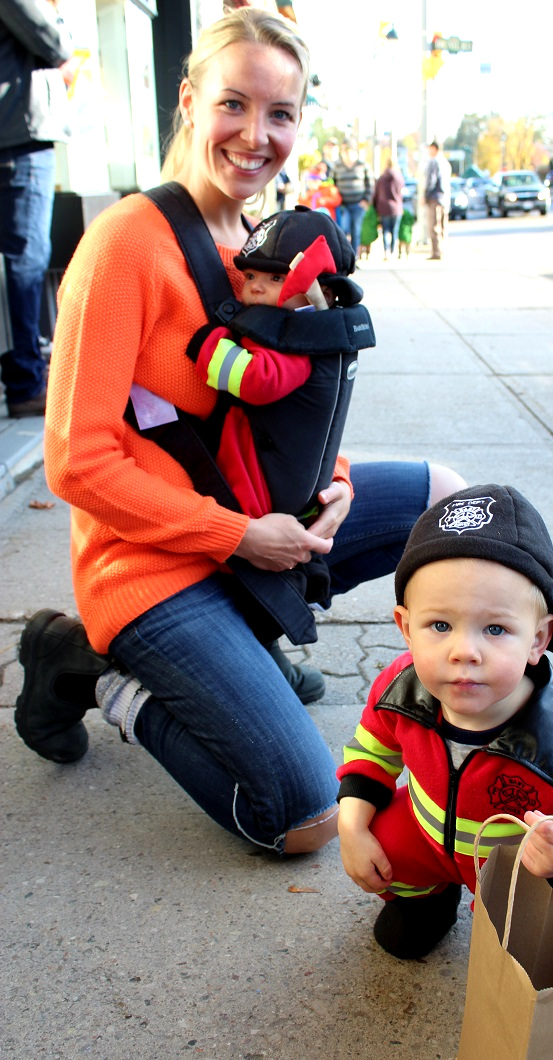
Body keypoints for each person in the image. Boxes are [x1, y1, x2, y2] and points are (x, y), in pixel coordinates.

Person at [13, 9, 465, 860]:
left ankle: (248, 641)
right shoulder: (123, 246)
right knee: (301, 818)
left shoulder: (271, 248)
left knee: (452, 503)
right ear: (189, 102)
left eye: (280, 113)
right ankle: (91, 669)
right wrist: (239, 537)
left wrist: (331, 485)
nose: (256, 136)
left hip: (252, 526)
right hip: (150, 566)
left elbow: (290, 409)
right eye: (233, 104)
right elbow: (74, 461)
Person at [337, 484, 553, 959]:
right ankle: (426, 903)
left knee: (519, 950)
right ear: (406, 627)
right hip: (425, 840)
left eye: (495, 629)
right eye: (439, 625)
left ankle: (502, 923)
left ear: (538, 639)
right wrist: (351, 826)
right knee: (385, 842)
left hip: (515, 874)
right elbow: (371, 750)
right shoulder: (399, 687)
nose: (464, 651)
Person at [191, 204, 363, 524]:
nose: (256, 286)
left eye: (275, 278)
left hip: (259, 488)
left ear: (320, 294)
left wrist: (209, 345)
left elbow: (260, 380)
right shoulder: (281, 326)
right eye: (250, 276)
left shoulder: (298, 342)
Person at [0, 0, 72, 417]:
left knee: (21, 261)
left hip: (13, 130)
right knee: (26, 261)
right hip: (18, 135)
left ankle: (26, 374)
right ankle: (26, 382)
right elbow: (55, 40)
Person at [331, 138, 372, 260]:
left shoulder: (362, 165)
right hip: (343, 204)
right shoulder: (337, 166)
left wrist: (366, 200)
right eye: (345, 151)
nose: (347, 154)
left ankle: (354, 258)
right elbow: (332, 183)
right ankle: (344, 258)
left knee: (356, 231)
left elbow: (370, 184)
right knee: (343, 230)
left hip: (358, 204)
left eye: (349, 151)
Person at [423, 141, 451, 261]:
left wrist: (425, 195)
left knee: (434, 226)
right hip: (445, 199)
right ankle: (443, 250)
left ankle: (437, 252)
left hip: (435, 198)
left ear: (434, 148)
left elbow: (431, 180)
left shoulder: (434, 162)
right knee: (443, 226)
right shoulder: (445, 163)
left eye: (430, 148)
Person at [372, 159, 404, 261]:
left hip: (384, 207)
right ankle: (393, 251)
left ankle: (386, 252)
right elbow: (401, 193)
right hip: (396, 208)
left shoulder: (381, 178)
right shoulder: (399, 178)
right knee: (395, 230)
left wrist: (375, 206)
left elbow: (376, 193)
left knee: (385, 230)